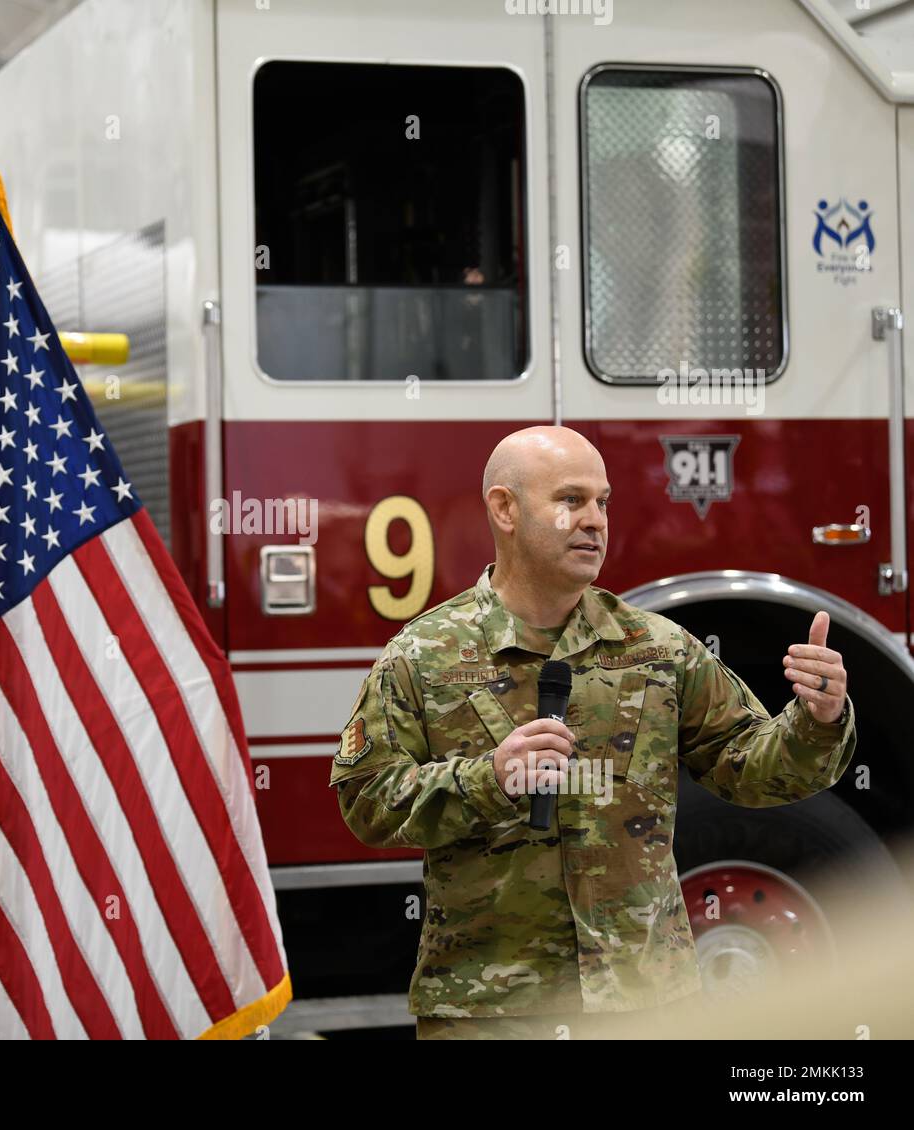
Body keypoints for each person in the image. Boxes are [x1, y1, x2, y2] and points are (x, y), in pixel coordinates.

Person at [329, 426, 856, 1040]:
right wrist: (487, 780)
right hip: (494, 1007)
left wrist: (817, 721)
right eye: (570, 500)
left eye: (602, 502)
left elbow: (749, 769)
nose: (595, 521)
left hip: (646, 1003)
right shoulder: (424, 656)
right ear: (505, 509)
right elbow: (365, 800)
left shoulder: (658, 650)